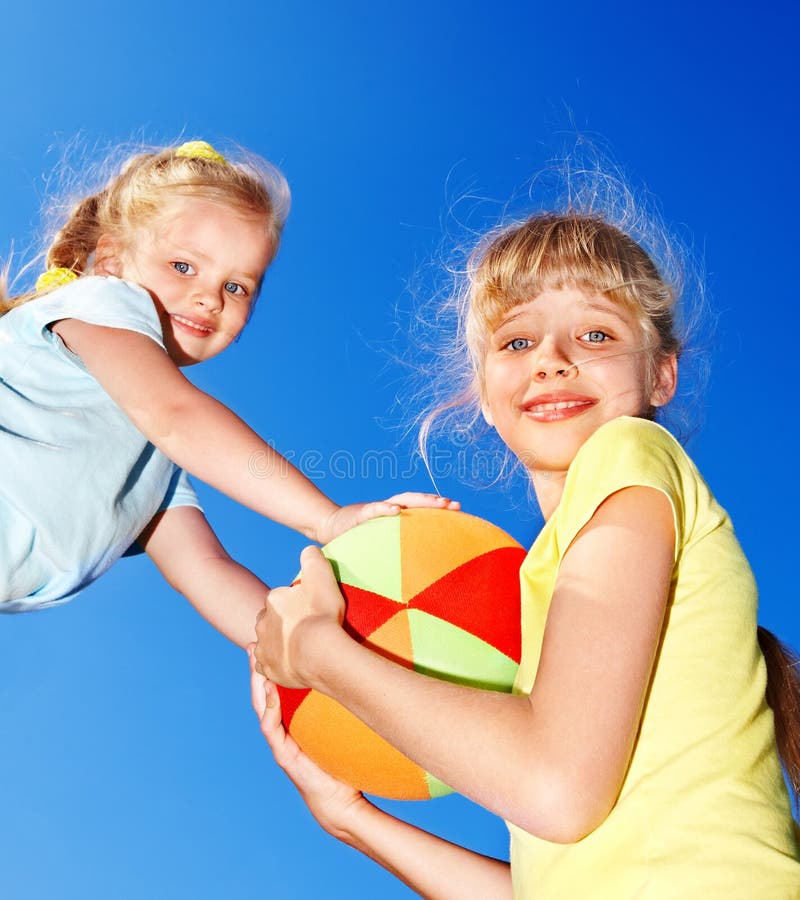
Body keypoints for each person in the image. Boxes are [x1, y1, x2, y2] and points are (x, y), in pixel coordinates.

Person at [251, 203, 800, 897]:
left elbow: (557, 789)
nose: (551, 361)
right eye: (515, 343)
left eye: (595, 334)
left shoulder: (628, 452)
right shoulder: (542, 585)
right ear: (482, 392)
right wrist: (352, 819)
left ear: (662, 375)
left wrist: (319, 654)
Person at [0, 139, 455, 644]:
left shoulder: (151, 462)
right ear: (109, 259)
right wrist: (326, 519)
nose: (209, 297)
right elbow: (176, 413)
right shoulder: (99, 302)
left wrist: (298, 659)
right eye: (183, 266)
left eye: (237, 287)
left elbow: (204, 568)